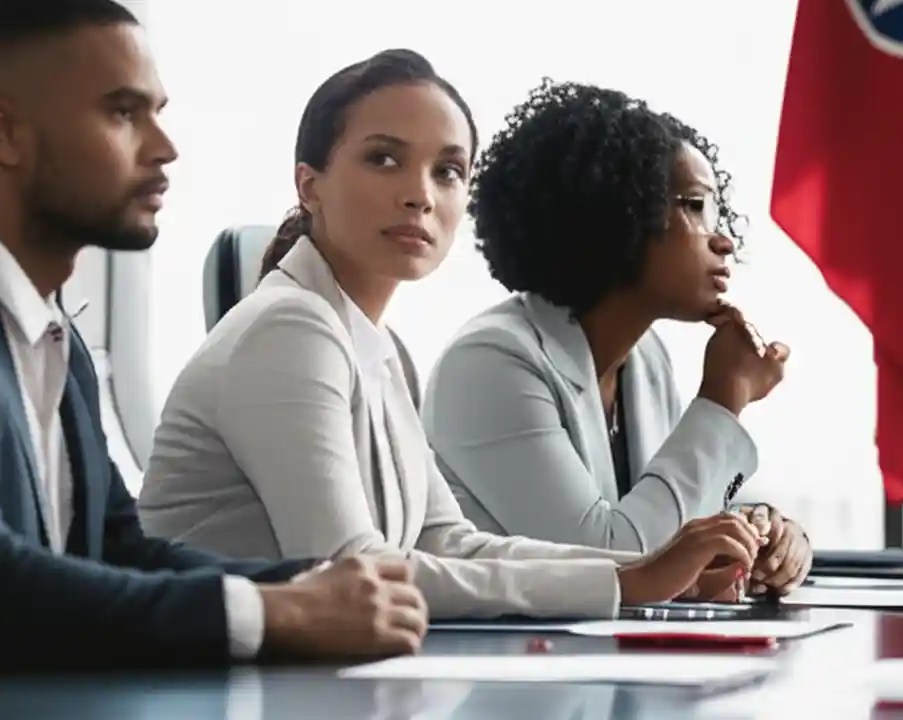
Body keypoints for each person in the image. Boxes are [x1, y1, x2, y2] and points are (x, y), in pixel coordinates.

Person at [0, 0, 425, 700]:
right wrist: (271, 613)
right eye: (123, 114)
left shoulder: (53, 334)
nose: (164, 147)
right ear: (5, 133)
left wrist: (311, 584)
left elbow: (112, 547)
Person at [138, 49, 765, 621]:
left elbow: (446, 540)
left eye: (447, 171)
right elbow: (354, 572)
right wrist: (629, 582)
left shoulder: (378, 347)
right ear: (310, 185)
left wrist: (645, 574)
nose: (418, 194)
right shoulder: (290, 328)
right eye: (384, 159)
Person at [422, 79, 811, 595]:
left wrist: (759, 539)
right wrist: (724, 398)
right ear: (615, 215)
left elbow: (672, 529)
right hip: (511, 666)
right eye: (694, 206)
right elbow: (617, 560)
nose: (723, 239)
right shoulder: (491, 362)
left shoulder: (645, 360)